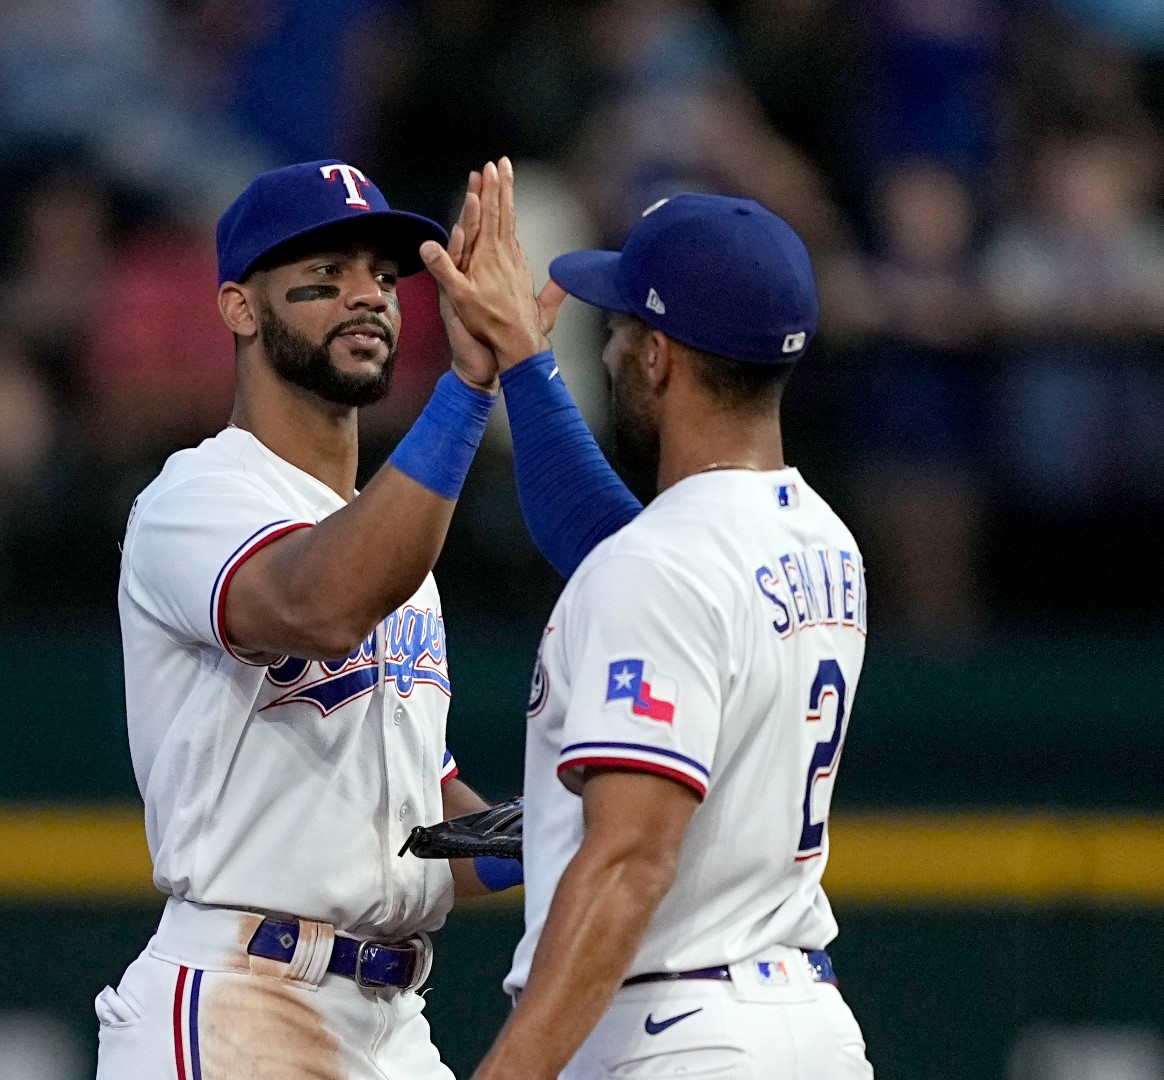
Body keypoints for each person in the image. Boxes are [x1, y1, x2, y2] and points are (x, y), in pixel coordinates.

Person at [425, 169, 874, 1078]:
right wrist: (521, 361)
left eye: (623, 326)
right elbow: (617, 545)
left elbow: (628, 861)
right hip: (807, 1024)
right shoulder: (824, 538)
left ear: (662, 357)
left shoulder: (660, 566)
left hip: (676, 1030)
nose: (609, 346)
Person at [98, 159, 523, 1080]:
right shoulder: (198, 495)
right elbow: (319, 606)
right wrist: (470, 385)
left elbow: (426, 824)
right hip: (240, 998)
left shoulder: (395, 539)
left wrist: (563, 829)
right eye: (324, 278)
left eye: (381, 275)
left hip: (393, 1016)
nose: (365, 297)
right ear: (239, 310)